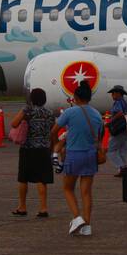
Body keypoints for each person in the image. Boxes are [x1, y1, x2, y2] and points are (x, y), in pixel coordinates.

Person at [55, 82, 104, 236]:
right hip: (90, 155)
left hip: (74, 154)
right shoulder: (97, 114)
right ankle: (87, 226)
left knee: (68, 188)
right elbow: (100, 136)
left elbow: (54, 130)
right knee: (86, 192)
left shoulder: (70, 113)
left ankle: (77, 217)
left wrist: (54, 147)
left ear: (75, 97)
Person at [10, 88, 59, 217]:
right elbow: (53, 131)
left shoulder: (27, 110)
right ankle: (43, 208)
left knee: (23, 178)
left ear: (32, 99)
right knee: (41, 179)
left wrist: (23, 115)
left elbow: (14, 124)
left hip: (28, 148)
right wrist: (53, 147)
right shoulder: (49, 113)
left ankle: (22, 206)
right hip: (43, 149)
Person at [106, 85, 127, 176]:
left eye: (113, 93)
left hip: (118, 129)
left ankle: (122, 167)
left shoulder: (118, 103)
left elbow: (120, 113)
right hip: (124, 129)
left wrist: (110, 121)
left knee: (111, 150)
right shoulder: (124, 103)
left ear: (118, 93)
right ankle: (124, 168)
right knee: (122, 150)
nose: (112, 95)